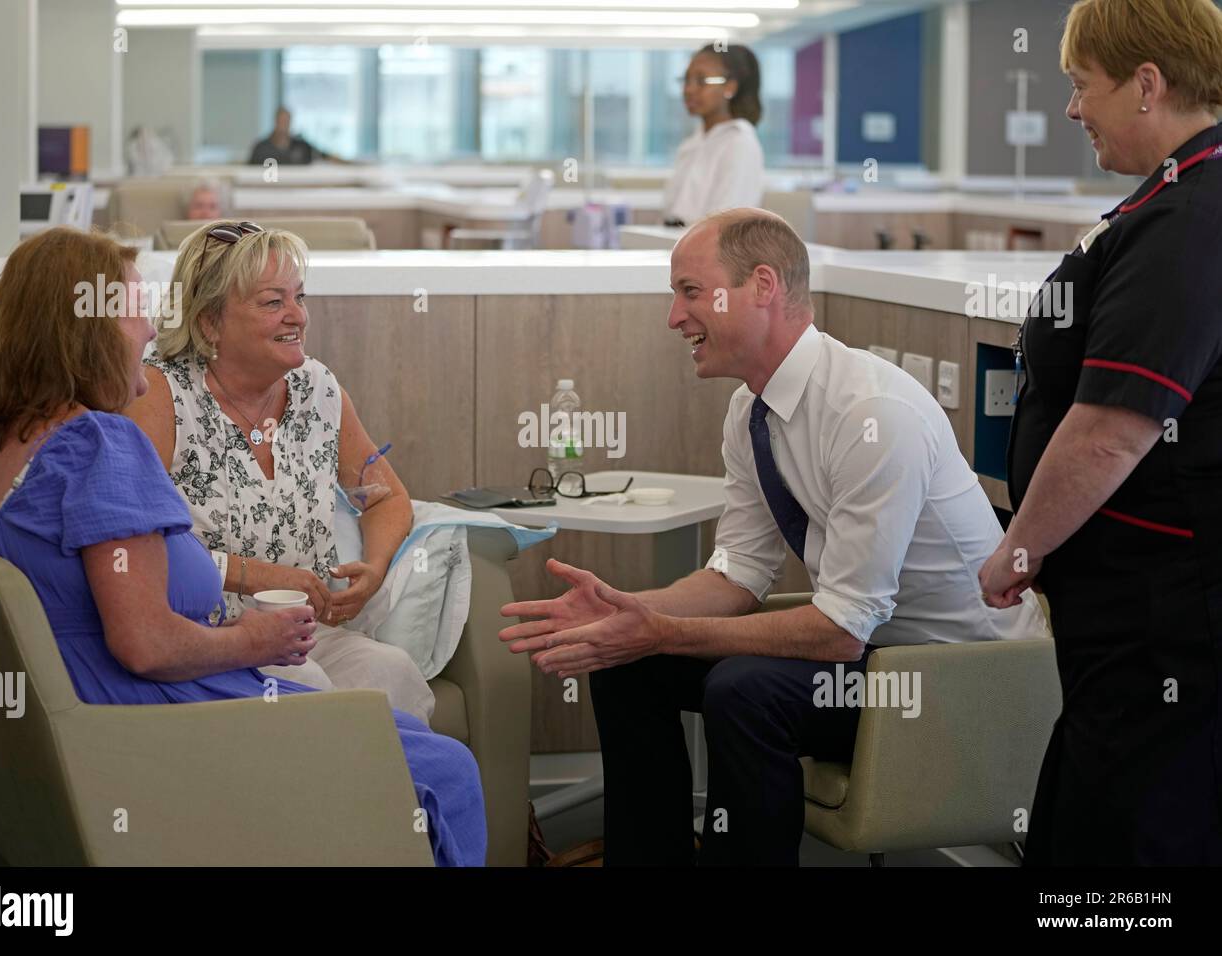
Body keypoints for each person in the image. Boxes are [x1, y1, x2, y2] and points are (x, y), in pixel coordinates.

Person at [500, 208, 1049, 866]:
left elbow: (841, 632)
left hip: (960, 680)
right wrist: (627, 614)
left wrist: (662, 629)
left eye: (691, 292)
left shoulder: (874, 415)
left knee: (744, 690)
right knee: (626, 661)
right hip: (874, 658)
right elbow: (737, 576)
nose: (674, 317)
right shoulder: (751, 412)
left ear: (761, 286)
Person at [0, 227, 484, 866]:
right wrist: (253, 640)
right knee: (445, 769)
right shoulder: (99, 445)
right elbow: (145, 644)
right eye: (134, 312)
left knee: (386, 703)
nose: (149, 331)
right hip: (155, 730)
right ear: (82, 330)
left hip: (95, 725)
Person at [979, 0, 1222, 865]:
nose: (1073, 108)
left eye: (1084, 86)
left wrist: (1021, 547)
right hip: (1125, 619)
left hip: (1163, 619)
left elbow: (1113, 431)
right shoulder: (1168, 201)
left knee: (1122, 849)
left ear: (1147, 83)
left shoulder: (1191, 221)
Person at [125, 220, 436, 723]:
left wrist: (373, 569)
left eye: (299, 296)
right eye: (273, 302)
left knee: (392, 672)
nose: (298, 316)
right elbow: (137, 546)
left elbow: (383, 497)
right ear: (209, 322)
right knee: (304, 686)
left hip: (304, 632)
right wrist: (259, 576)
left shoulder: (317, 388)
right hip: (208, 638)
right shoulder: (159, 394)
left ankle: (404, 780)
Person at [661, 44, 766, 228]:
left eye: (701, 81)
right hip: (675, 241)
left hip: (707, 245)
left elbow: (724, 227)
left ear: (730, 87)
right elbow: (671, 214)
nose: (688, 89)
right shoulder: (693, 143)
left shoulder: (739, 142)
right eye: (686, 80)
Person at [248, 107, 346, 166]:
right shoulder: (261, 148)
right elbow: (249, 172)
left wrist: (348, 164)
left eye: (286, 121)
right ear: (275, 121)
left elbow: (324, 156)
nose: (283, 125)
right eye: (281, 121)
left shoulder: (301, 146)